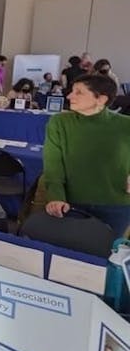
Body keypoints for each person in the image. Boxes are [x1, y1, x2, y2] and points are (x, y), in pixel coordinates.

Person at [44, 74, 130, 237]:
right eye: (72, 91)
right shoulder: (59, 122)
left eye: (79, 92)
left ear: (101, 99)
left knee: (105, 250)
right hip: (70, 203)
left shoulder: (125, 125)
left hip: (116, 205)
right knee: (67, 248)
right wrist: (56, 197)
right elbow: (53, 165)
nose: (69, 96)